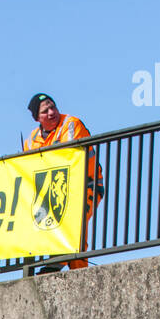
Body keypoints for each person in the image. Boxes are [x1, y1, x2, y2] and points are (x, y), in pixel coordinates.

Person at [23, 93, 104, 271]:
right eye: (45, 111)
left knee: (75, 225)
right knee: (61, 230)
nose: (52, 112)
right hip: (54, 194)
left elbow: (66, 159)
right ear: (37, 118)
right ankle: (69, 269)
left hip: (86, 186)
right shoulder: (31, 139)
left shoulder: (71, 124)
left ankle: (59, 268)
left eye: (53, 107)